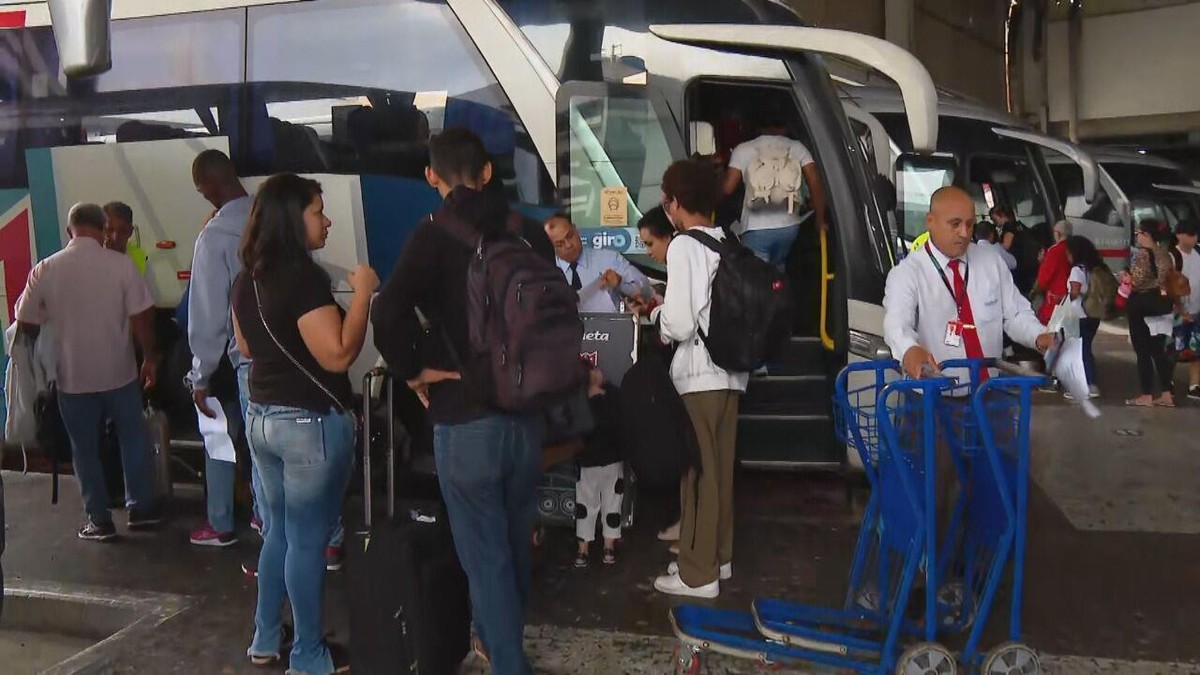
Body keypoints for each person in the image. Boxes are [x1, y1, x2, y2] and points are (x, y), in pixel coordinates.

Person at [371, 128, 542, 674]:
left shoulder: (431, 235)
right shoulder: (530, 233)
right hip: (527, 417)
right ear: (489, 172)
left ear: (432, 177)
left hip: (465, 420)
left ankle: (507, 662)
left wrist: (415, 369)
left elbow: (387, 313)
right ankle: (494, 643)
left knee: (484, 558)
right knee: (513, 548)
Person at [231, 174, 375, 673]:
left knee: (278, 534)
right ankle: (309, 654)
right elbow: (337, 355)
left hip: (262, 421)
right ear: (294, 219)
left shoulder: (246, 278)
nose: (326, 219)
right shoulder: (302, 278)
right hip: (308, 425)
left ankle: (265, 637)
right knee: (308, 541)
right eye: (318, 210)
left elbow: (247, 349)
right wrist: (362, 296)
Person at [883, 187, 1052, 529]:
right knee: (932, 492)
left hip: (987, 398)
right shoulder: (909, 273)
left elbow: (1015, 313)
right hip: (932, 403)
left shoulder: (989, 261)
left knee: (994, 486)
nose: (964, 233)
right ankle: (928, 573)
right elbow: (896, 323)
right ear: (930, 221)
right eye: (955, 224)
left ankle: (979, 571)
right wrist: (909, 348)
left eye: (970, 224)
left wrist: (1039, 335)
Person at [634, 159, 749, 600]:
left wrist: (659, 314)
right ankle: (718, 559)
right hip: (730, 374)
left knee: (698, 475)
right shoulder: (727, 240)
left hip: (699, 375)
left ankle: (697, 575)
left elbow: (680, 324)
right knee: (719, 470)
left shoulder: (684, 245)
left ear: (674, 202)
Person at [15, 203, 162, 541]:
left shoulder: (46, 269)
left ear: (70, 232)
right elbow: (143, 316)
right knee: (132, 439)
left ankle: (100, 519)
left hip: (72, 379)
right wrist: (150, 358)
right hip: (120, 374)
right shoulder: (122, 265)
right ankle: (140, 509)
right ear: (101, 227)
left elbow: (26, 323)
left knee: (84, 448)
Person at [186, 149, 256, 548]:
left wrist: (200, 374)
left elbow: (209, 313)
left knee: (219, 432)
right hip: (285, 352)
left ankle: (221, 522)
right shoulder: (272, 218)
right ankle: (266, 520)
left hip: (239, 359)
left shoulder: (214, 236)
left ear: (208, 184)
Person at [722, 106, 827, 267]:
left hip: (756, 229)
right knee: (778, 269)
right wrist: (819, 220)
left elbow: (727, 189)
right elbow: (815, 182)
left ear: (756, 126)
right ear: (785, 126)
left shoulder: (743, 149)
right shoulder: (797, 148)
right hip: (789, 228)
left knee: (757, 278)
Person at [544, 214, 650, 313]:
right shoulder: (546, 271)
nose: (568, 245)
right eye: (559, 244)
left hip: (609, 330)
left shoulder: (608, 258)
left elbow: (645, 288)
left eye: (570, 236)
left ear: (575, 229)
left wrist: (620, 283)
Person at [573, 366, 624, 568]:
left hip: (592, 461)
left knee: (588, 505)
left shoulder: (581, 400)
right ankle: (605, 547)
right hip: (605, 460)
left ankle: (585, 549)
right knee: (607, 504)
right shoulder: (611, 397)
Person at [1125, 219, 1177, 408]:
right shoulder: (1165, 255)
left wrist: (1126, 277)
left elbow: (1137, 281)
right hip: (1162, 306)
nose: (1137, 237)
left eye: (1138, 233)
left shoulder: (1143, 255)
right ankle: (1166, 394)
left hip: (1142, 307)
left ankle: (1146, 394)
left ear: (1146, 235)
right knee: (1158, 351)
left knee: (1143, 352)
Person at [1065, 235, 1104, 398]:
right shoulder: (1093, 269)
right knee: (1086, 349)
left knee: (1078, 351)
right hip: (1093, 314)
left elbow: (1074, 291)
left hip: (1077, 315)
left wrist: (1067, 296)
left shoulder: (1076, 270)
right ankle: (1091, 383)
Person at [1172, 219, 1200, 400]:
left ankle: (1195, 385)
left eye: (1195, 235)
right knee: (1174, 348)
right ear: (1179, 235)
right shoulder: (1172, 256)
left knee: (1197, 349)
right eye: (1190, 235)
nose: (1193, 238)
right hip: (1176, 312)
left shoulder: (1198, 253)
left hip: (1197, 309)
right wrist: (1181, 311)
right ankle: (1168, 381)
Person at [993, 204, 1047, 295]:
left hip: (1021, 263)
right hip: (1031, 260)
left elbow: (1006, 246)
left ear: (1001, 215)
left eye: (994, 219)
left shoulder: (1008, 227)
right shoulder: (1018, 224)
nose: (994, 222)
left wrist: (994, 245)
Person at [1033, 220, 1073, 325]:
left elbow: (1043, 279)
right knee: (1071, 336)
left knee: (1052, 336)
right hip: (1074, 302)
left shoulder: (1054, 251)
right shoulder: (1076, 249)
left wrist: (1042, 262)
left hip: (1056, 303)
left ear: (1058, 234)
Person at [102, 202, 148, 276]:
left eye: (122, 230)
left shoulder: (140, 258)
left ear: (130, 231)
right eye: (109, 230)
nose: (115, 237)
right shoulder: (89, 258)